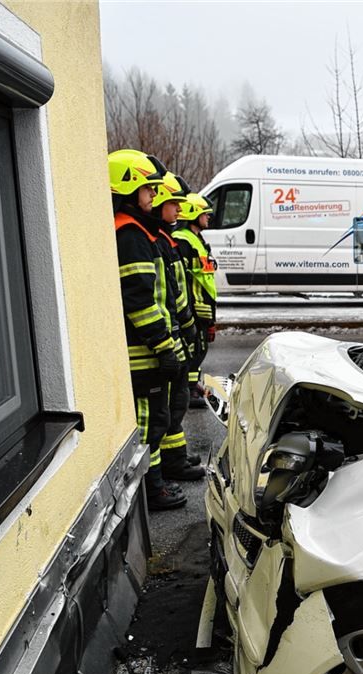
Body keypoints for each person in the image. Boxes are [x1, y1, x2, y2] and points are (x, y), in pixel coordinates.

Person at [109, 149, 186, 510]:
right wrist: (164, 347)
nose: (154, 198)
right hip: (143, 352)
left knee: (155, 421)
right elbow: (140, 299)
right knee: (148, 425)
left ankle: (151, 488)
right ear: (130, 187)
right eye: (149, 191)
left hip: (146, 348)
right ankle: (149, 492)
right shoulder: (131, 236)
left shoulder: (136, 231)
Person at [150, 172, 204, 482]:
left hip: (176, 332)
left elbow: (175, 290)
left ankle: (175, 457)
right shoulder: (149, 240)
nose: (179, 211)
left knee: (176, 403)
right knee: (166, 409)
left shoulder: (164, 239)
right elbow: (156, 295)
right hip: (166, 337)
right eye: (174, 205)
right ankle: (166, 469)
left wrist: (188, 324)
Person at [172, 193, 217, 407]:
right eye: (204, 213)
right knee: (195, 350)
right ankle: (189, 391)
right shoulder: (183, 241)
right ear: (193, 213)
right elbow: (185, 280)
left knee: (199, 349)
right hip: (194, 308)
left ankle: (192, 386)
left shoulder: (195, 239)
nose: (208, 217)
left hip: (202, 306)